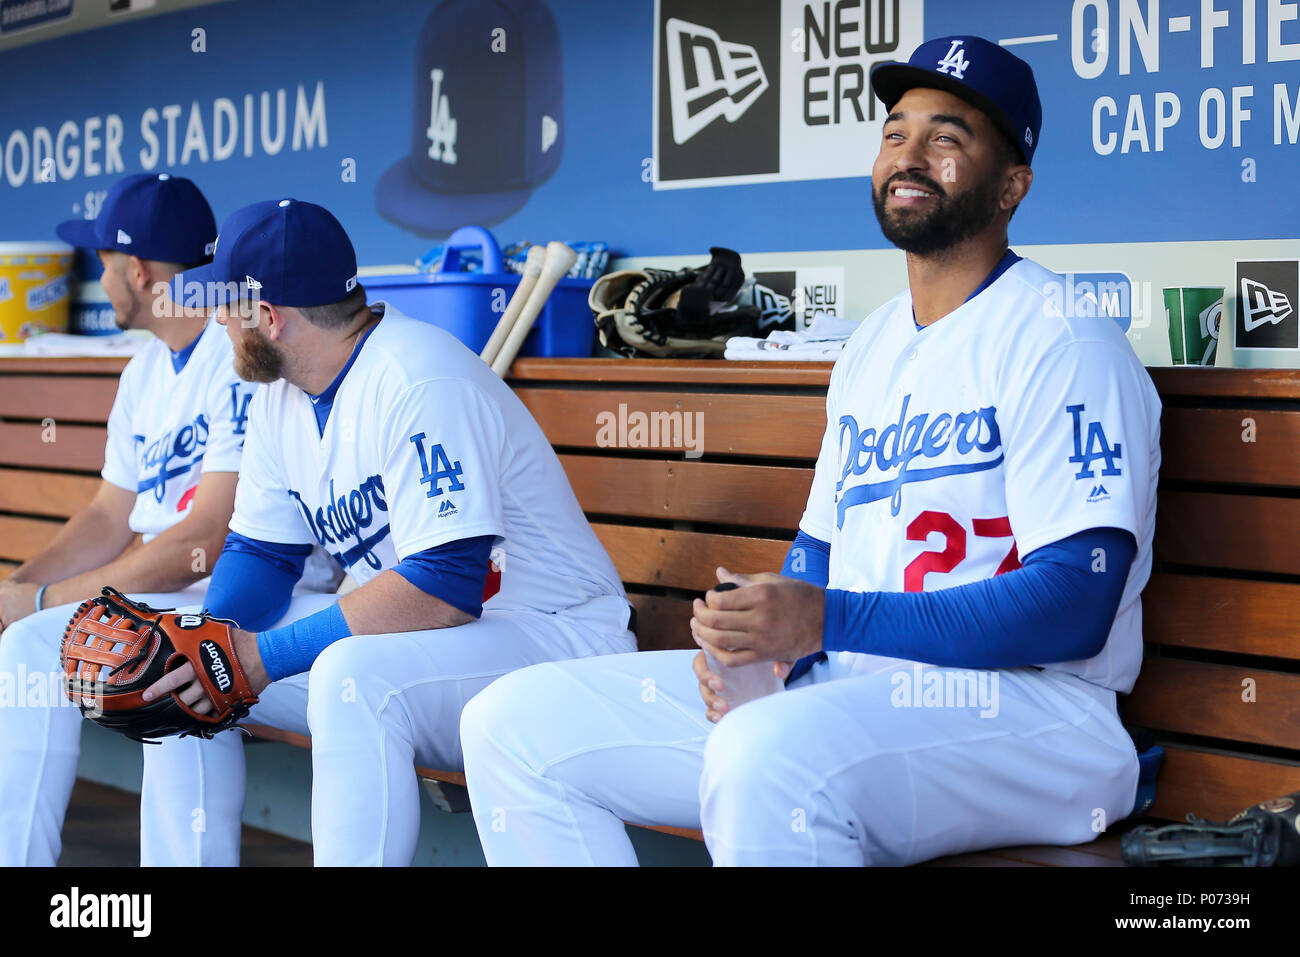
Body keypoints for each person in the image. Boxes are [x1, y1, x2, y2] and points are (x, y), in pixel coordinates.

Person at [457, 35, 1163, 866]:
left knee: (769, 759)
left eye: (948, 137)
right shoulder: (871, 348)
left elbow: (1074, 608)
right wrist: (762, 640)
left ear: (1014, 183)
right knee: (510, 722)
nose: (910, 154)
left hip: (1033, 715)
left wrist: (824, 619)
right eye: (896, 132)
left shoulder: (1062, 336)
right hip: (854, 692)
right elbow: (818, 554)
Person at [138, 198, 636, 866]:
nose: (216, 320)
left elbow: (443, 587)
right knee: (187, 665)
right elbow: (262, 554)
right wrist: (212, 639)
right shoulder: (282, 395)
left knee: (351, 674)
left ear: (269, 317)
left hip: (554, 634)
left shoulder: (416, 376)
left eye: (226, 306)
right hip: (439, 641)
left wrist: (256, 659)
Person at [0, 173, 257, 865]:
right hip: (163, 591)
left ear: (138, 271)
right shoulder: (144, 371)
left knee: (38, 648)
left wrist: (45, 603)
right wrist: (16, 591)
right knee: (24, 633)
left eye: (106, 263)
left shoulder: (234, 357)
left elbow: (206, 540)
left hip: (234, 594)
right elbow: (110, 513)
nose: (103, 277)